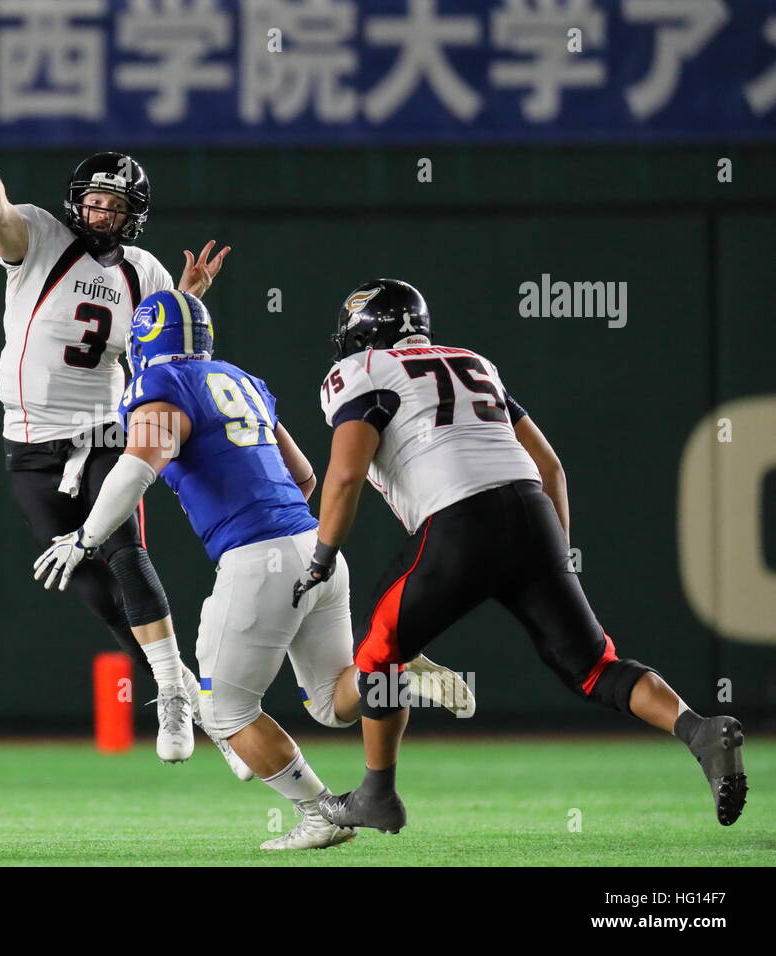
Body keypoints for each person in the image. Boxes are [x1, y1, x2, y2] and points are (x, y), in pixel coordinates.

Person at [294, 278, 746, 834]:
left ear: (365, 332)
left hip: (457, 519)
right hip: (533, 512)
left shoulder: (360, 373)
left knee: (379, 653)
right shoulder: (473, 361)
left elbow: (345, 473)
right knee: (594, 667)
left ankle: (377, 795)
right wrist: (557, 559)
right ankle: (699, 731)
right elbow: (551, 466)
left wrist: (321, 555)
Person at [34, 289, 472, 849]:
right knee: (330, 702)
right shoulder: (239, 380)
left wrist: (85, 537)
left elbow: (136, 469)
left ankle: (321, 814)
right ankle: (395, 670)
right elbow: (305, 474)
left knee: (223, 710)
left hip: (257, 558)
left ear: (142, 342)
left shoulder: (159, 387)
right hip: (313, 547)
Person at [0, 143, 247, 775]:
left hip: (107, 434)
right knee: (98, 596)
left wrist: (185, 303)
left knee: (126, 555)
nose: (99, 209)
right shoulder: (44, 238)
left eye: (112, 201)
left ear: (133, 210)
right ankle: (196, 700)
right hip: (31, 445)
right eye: (92, 197)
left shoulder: (146, 272)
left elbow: (169, 356)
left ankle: (170, 696)